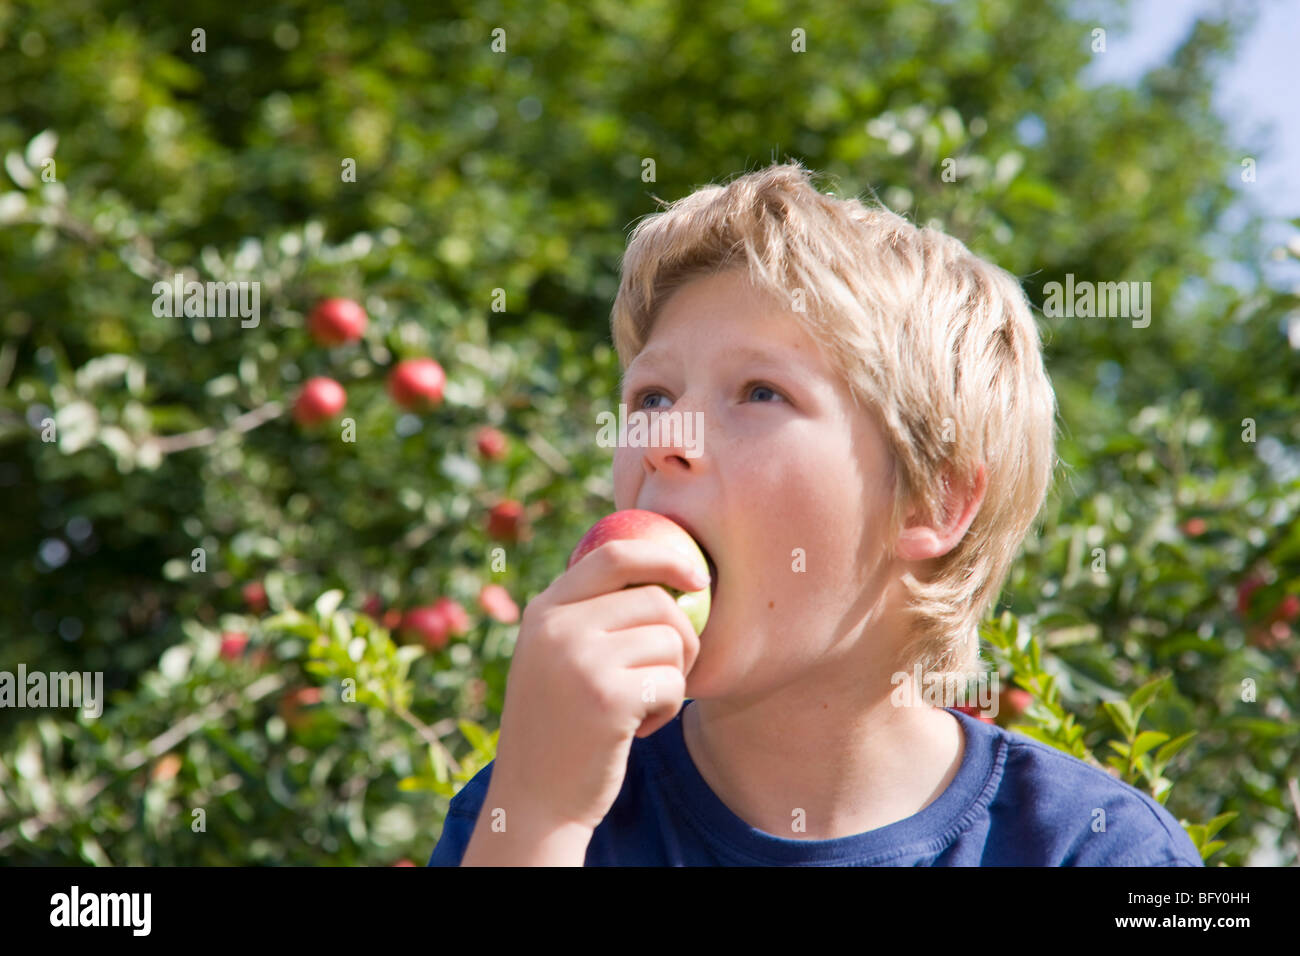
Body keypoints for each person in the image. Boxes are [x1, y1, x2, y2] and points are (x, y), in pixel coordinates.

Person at [428, 161, 1203, 866]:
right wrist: (538, 814)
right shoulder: (528, 813)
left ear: (933, 499)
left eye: (761, 392)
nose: (666, 436)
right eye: (652, 397)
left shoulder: (1094, 848)